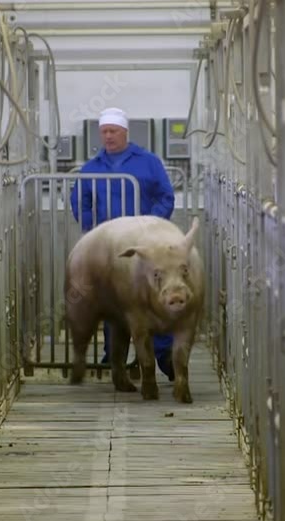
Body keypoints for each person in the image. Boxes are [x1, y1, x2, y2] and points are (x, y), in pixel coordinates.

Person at [69, 107, 177, 380]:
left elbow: (166, 196)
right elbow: (78, 200)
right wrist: (92, 230)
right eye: (104, 131)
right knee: (114, 301)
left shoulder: (149, 162)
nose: (108, 136)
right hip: (110, 248)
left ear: (125, 132)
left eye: (113, 131)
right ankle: (114, 357)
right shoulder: (91, 168)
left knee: (153, 297)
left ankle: (163, 356)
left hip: (146, 246)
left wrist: (153, 225)